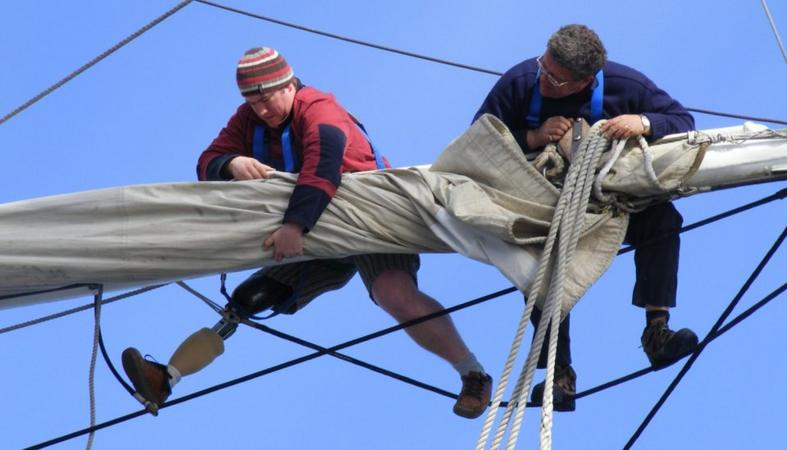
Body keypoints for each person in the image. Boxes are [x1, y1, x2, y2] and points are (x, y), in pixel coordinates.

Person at [121, 47, 492, 419]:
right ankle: (167, 377)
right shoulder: (248, 119)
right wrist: (231, 162)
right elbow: (207, 160)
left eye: (266, 99)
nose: (261, 110)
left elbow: (325, 163)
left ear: (288, 84)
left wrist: (294, 225)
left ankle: (472, 373)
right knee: (250, 297)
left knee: (395, 293)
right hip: (311, 230)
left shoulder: (319, 108)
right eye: (252, 102)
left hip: (365, 219)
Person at [473, 24, 698, 411]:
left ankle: (657, 332)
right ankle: (558, 372)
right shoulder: (520, 81)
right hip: (545, 203)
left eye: (556, 80)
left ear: (584, 82)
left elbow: (682, 120)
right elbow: (477, 142)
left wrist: (642, 123)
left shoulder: (625, 85)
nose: (543, 80)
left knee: (663, 220)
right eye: (544, 67)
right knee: (539, 253)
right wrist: (532, 137)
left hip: (610, 200)